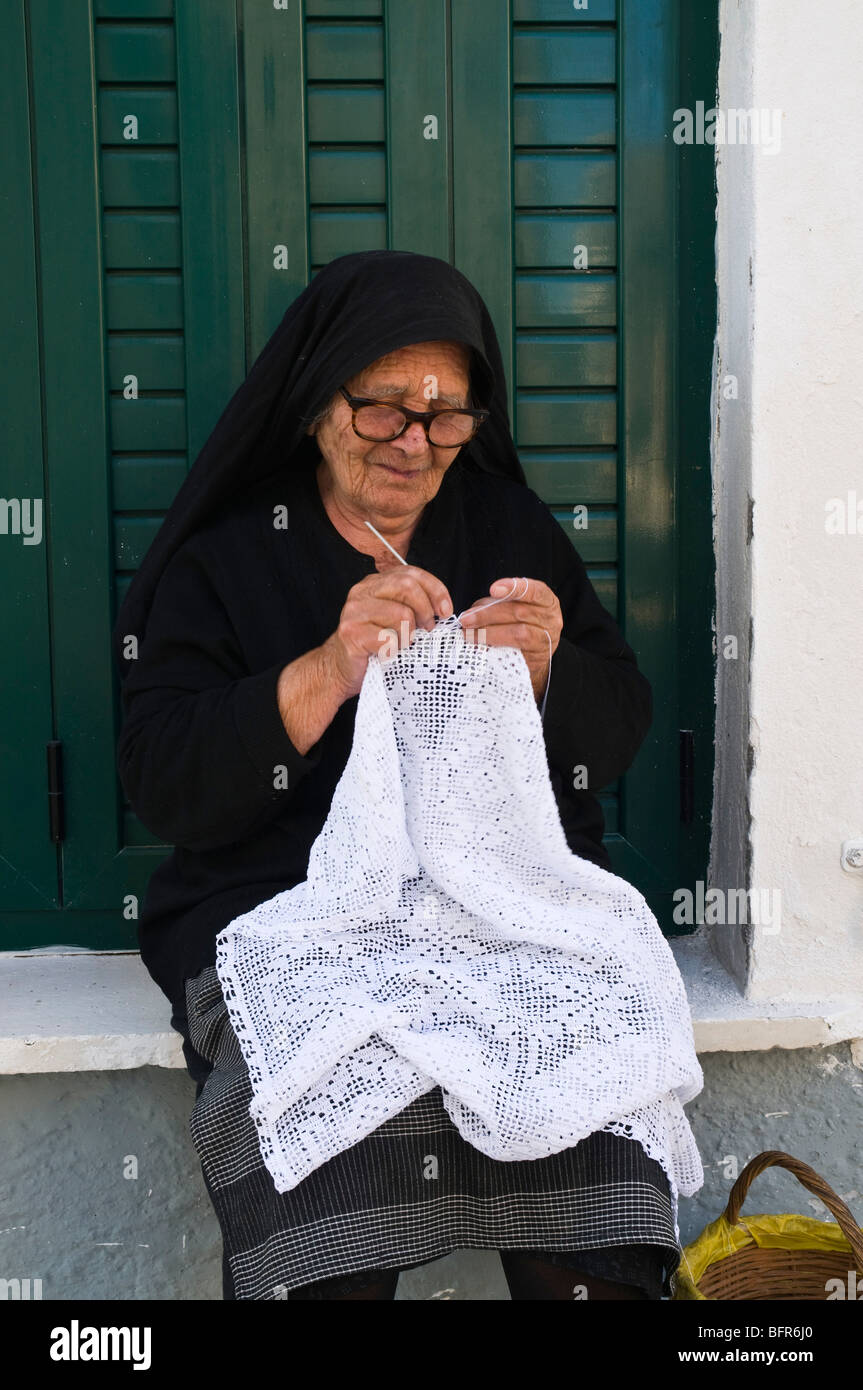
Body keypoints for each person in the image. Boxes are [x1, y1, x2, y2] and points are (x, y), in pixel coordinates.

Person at [113, 249, 682, 1301]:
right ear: (316, 403)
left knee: (592, 1144)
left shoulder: (506, 529)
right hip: (293, 915)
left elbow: (614, 730)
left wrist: (549, 668)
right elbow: (166, 780)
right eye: (381, 408)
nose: (413, 442)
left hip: (502, 914)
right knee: (327, 1182)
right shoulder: (231, 556)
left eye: (445, 416)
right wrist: (330, 667)